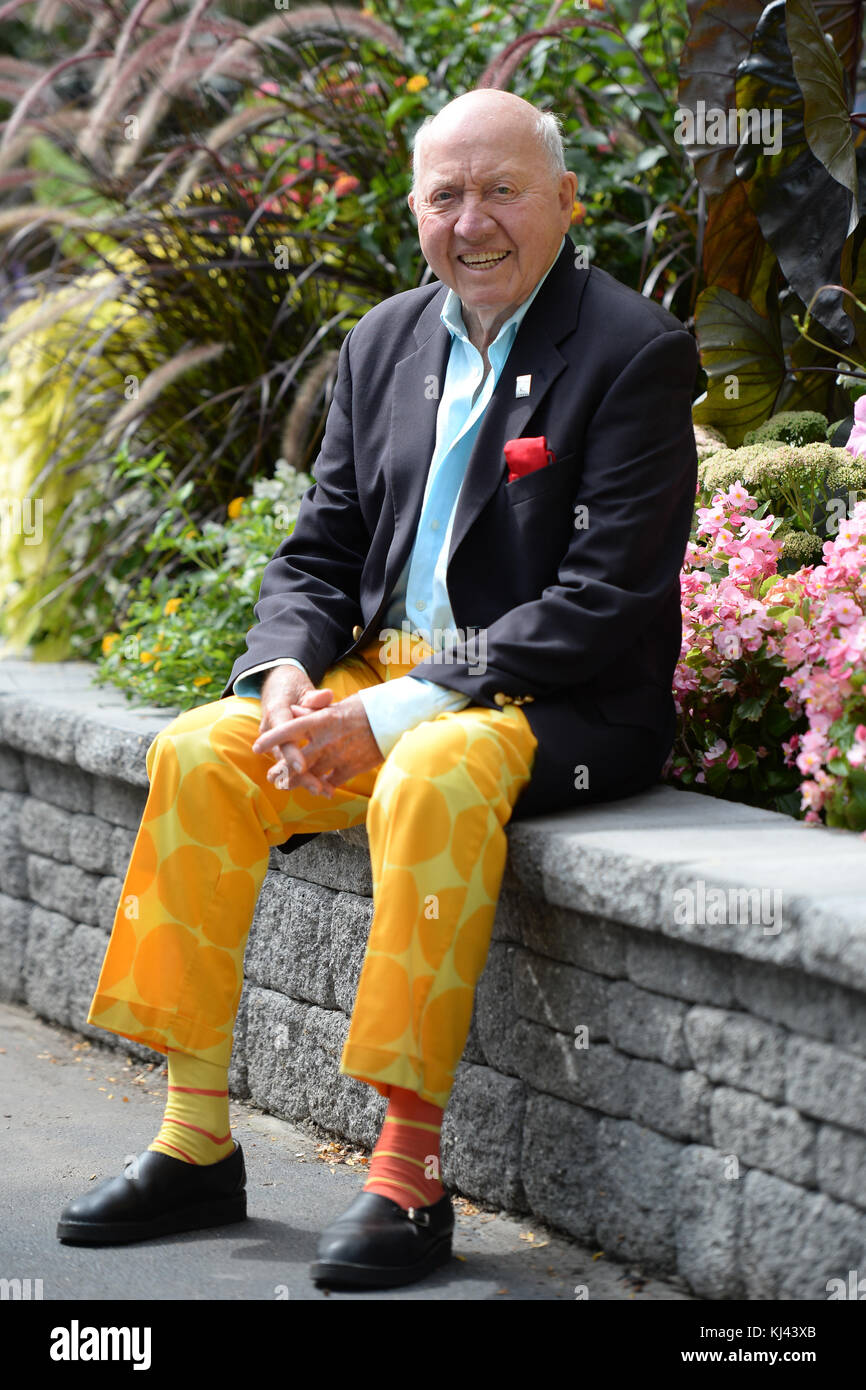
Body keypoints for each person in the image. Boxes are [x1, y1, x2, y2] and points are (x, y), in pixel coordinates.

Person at [56, 88, 699, 1290]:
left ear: (564, 200)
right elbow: (319, 548)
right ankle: (194, 1139)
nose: (473, 221)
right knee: (202, 749)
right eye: (445, 194)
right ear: (414, 211)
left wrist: (389, 714)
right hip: (377, 672)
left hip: (548, 701)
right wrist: (292, 675)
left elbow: (601, 600)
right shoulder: (383, 340)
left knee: (430, 769)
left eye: (500, 189)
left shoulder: (631, 351)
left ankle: (406, 1176)